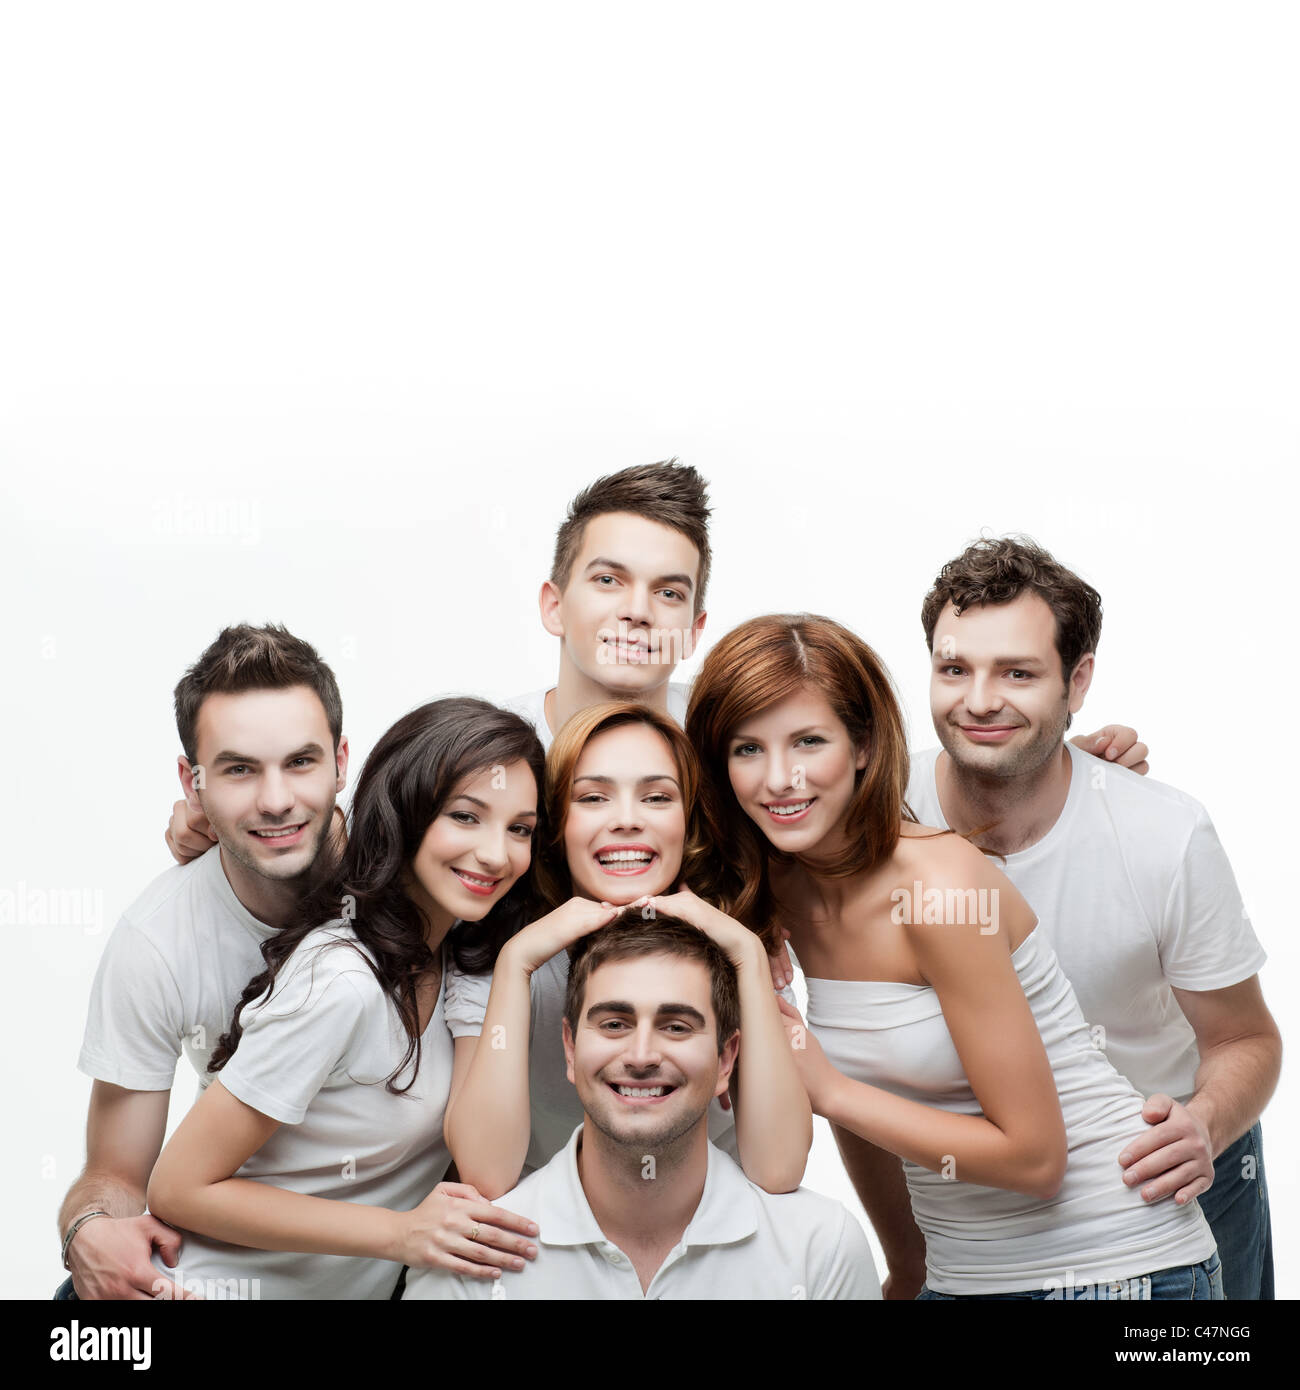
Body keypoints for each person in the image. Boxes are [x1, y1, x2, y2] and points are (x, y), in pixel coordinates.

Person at [689, 613, 1222, 1301]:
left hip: (1119, 1266)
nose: (779, 779)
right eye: (747, 749)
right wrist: (908, 1270)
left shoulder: (937, 886)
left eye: (808, 741)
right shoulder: (776, 890)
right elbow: (870, 1095)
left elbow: (1035, 1159)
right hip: (963, 1276)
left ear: (862, 746)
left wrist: (830, 1090)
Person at [908, 536, 1279, 1299]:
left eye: (1018, 672)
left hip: (1174, 1170)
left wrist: (1204, 1123)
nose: (979, 699)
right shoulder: (878, 818)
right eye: (955, 669)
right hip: (979, 1210)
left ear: (1078, 681)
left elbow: (1246, 1037)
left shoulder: (1163, 835)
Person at [142, 698, 547, 1298]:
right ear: (406, 812)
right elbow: (178, 1188)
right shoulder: (342, 980)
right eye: (466, 817)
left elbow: (488, 1170)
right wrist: (398, 1234)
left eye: (520, 829)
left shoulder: (461, 964)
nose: (496, 854)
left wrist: (515, 962)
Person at [57, 624, 351, 1299]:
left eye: (301, 763)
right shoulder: (155, 941)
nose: (276, 800)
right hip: (213, 1267)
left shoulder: (412, 874)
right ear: (193, 781)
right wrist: (89, 1230)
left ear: (342, 759)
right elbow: (116, 1174)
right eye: (239, 769)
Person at [405, 915, 879, 1300]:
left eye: (676, 1026)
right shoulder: (469, 1263)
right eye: (614, 1023)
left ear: (725, 1059)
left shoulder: (822, 1249)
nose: (641, 1055)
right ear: (570, 1049)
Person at [441, 701, 811, 1194]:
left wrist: (744, 951)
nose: (627, 821)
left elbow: (780, 1169)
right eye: (593, 798)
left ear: (688, 821)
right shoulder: (501, 953)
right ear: (556, 825)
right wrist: (515, 963)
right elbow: (486, 1174)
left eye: (657, 798)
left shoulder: (735, 948)